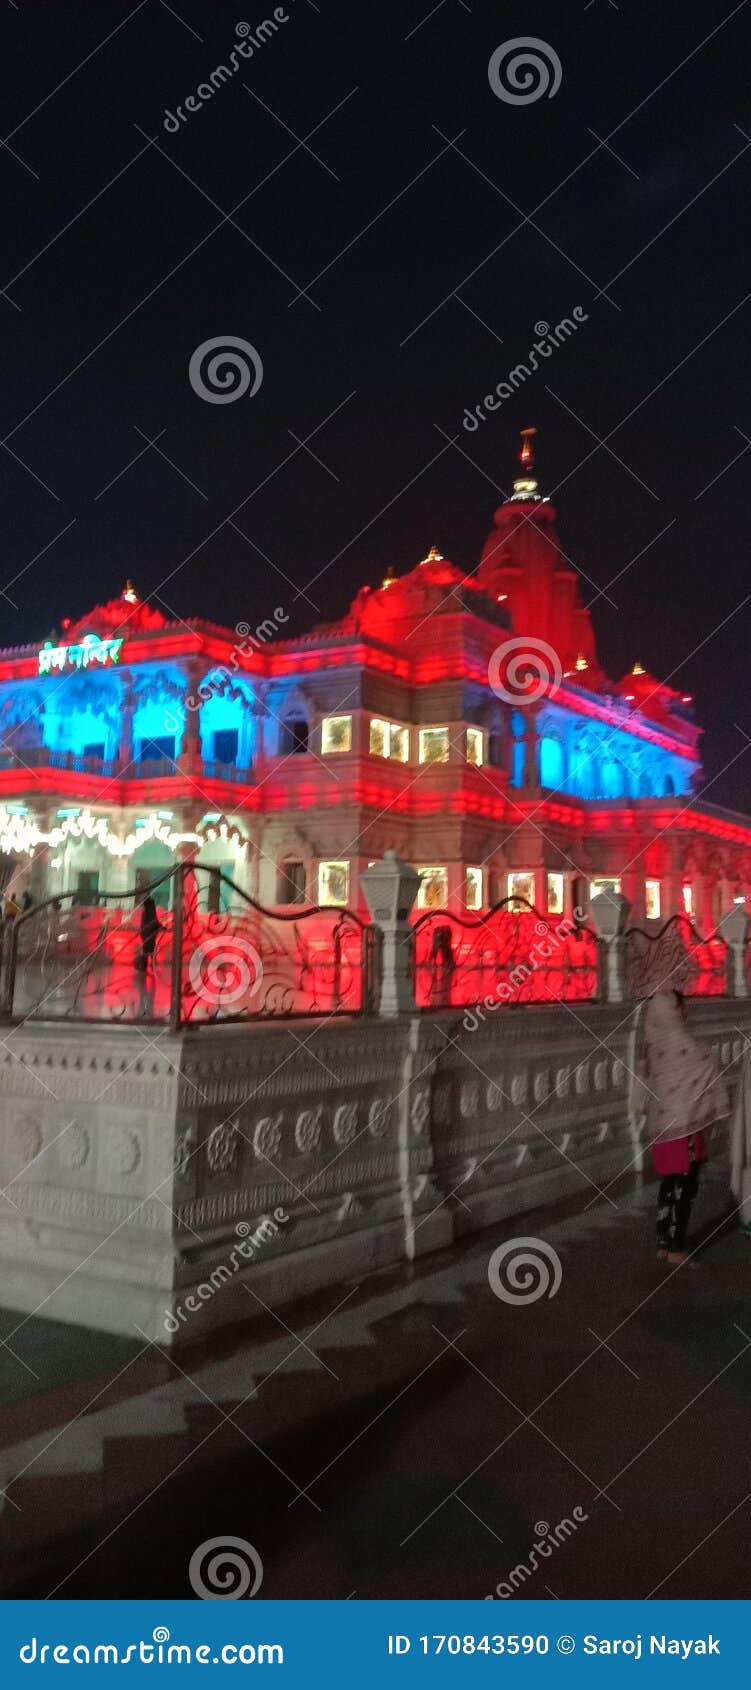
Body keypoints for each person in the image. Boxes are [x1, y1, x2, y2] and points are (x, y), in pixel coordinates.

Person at [633, 989, 729, 1264]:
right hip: (683, 1126)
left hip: (661, 1125)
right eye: (681, 1006)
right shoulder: (679, 1039)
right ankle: (676, 1247)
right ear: (673, 1010)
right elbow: (706, 1063)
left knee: (668, 1184)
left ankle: (663, 1242)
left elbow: (644, 1081)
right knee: (684, 1188)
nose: (684, 1011)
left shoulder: (650, 1043)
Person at [137, 894, 162, 972]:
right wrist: (160, 926)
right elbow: (153, 921)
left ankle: (144, 967)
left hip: (146, 934)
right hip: (149, 934)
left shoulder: (146, 910)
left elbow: (152, 921)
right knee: (149, 950)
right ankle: (148, 966)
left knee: (148, 950)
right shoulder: (150, 909)